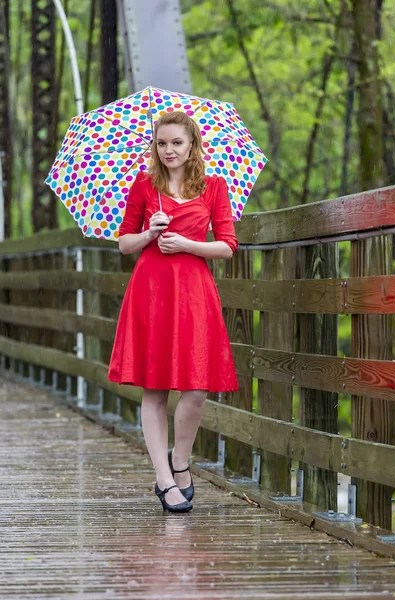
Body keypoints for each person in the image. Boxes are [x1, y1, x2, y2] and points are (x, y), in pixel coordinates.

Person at [108, 111, 239, 513]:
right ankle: (164, 481)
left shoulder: (214, 187)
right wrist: (149, 232)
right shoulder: (145, 186)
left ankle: (179, 460)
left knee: (196, 387)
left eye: (176, 143)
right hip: (153, 291)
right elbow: (124, 244)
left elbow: (228, 245)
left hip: (195, 291)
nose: (168, 151)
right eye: (161, 143)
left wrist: (186, 244)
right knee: (155, 385)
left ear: (192, 145)